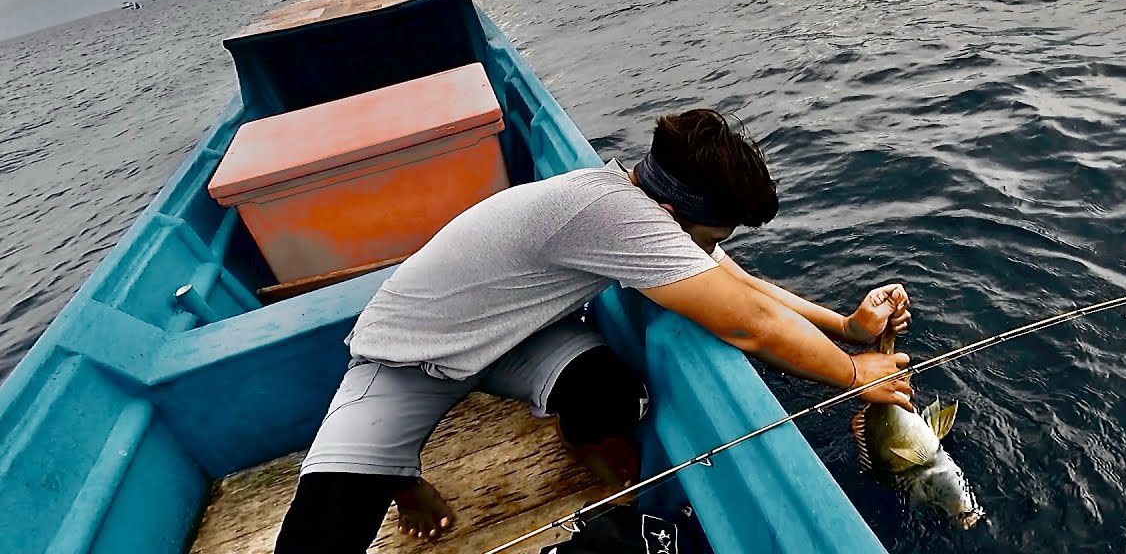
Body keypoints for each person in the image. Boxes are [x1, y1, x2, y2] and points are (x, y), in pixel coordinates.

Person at [273, 108, 914, 553]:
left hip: (521, 337)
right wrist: (854, 374)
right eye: (715, 233)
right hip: (409, 356)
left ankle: (583, 454)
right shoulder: (618, 217)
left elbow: (737, 284)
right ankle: (402, 483)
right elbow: (751, 326)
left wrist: (846, 327)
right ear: (674, 212)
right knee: (317, 539)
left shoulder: (643, 202)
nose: (715, 247)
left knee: (616, 395)